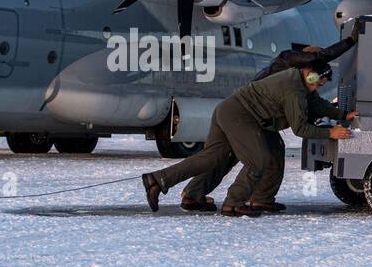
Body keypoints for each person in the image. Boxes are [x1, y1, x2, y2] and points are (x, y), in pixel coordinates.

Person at [142, 59, 355, 216]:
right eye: (315, 80)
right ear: (307, 72)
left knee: (222, 156)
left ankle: (184, 191)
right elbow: (300, 129)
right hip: (241, 115)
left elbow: (316, 103)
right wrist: (330, 132)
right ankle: (233, 203)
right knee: (257, 160)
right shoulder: (294, 90)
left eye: (320, 84)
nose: (316, 86)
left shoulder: (302, 85)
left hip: (236, 112)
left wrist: (343, 115)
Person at [176, 31, 360, 211]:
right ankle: (233, 199)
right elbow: (322, 59)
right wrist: (351, 40)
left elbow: (314, 102)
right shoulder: (289, 64)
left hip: (258, 116)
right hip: (252, 117)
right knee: (239, 157)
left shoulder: (298, 76)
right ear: (307, 61)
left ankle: (247, 197)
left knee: (256, 153)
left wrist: (341, 114)